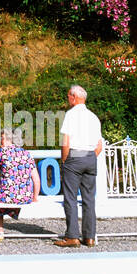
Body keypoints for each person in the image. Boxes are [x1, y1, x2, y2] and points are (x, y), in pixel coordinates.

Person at [54, 84, 103, 247]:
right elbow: (99, 146)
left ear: (74, 97)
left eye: (68, 95)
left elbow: (66, 141)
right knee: (89, 199)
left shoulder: (71, 115)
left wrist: (65, 160)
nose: (67, 98)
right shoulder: (94, 117)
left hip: (75, 156)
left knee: (70, 197)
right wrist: (88, 156)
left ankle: (72, 236)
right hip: (90, 156)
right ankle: (89, 237)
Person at [0, 127, 40, 238]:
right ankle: (7, 215)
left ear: (6, 139)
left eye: (1, 138)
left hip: (7, 196)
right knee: (2, 191)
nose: (0, 141)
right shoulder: (27, 154)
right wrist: (35, 197)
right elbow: (36, 179)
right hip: (25, 197)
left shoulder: (3, 152)